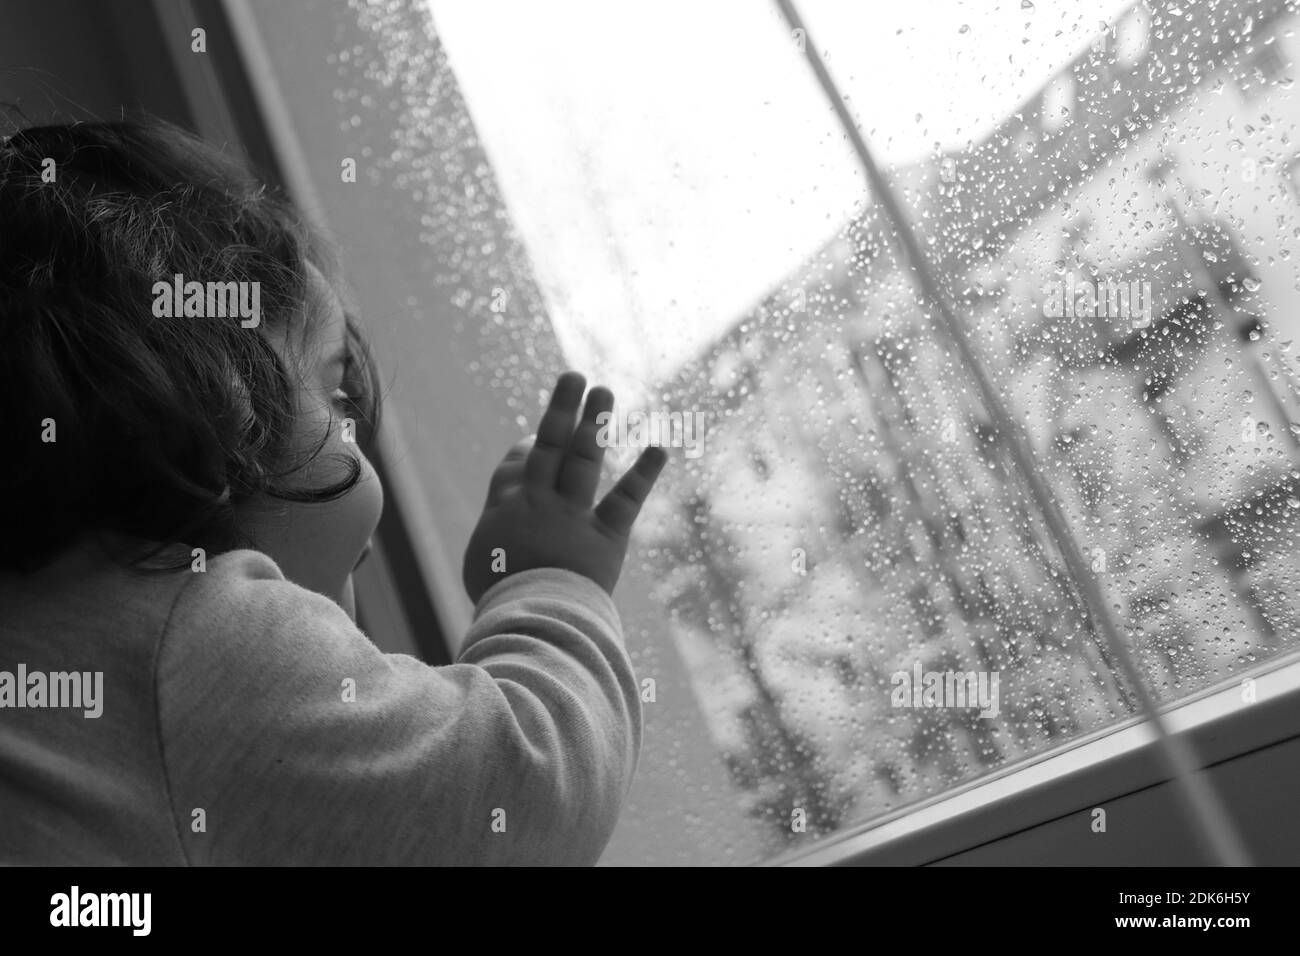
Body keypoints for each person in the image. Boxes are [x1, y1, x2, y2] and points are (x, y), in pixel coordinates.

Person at [0, 118, 667, 865]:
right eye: (337, 392)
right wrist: (555, 578)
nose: (360, 435)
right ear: (221, 403)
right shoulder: (192, 642)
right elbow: (529, 789)